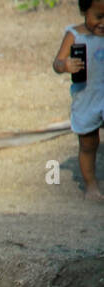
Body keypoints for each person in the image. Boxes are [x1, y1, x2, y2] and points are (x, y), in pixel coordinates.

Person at [53, 0, 104, 199]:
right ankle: (91, 185)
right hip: (86, 97)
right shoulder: (75, 35)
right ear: (84, 11)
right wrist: (65, 65)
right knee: (88, 143)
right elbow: (57, 63)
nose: (103, 23)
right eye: (98, 17)